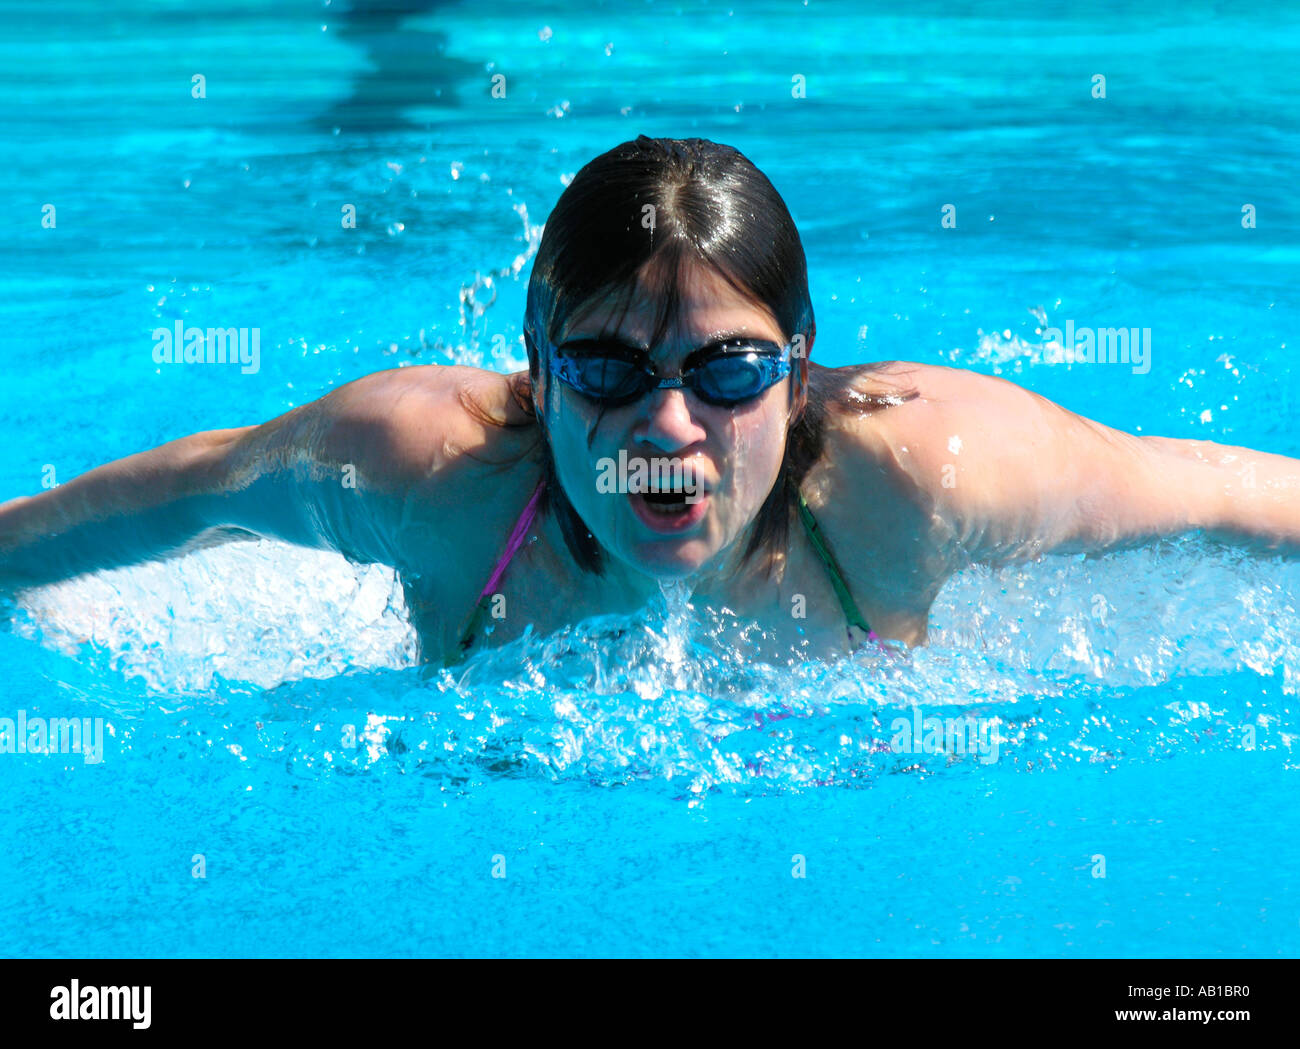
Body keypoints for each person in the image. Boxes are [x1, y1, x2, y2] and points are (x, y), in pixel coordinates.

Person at [2, 136, 1298, 667]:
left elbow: (1230, 493)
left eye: (727, 372)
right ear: (537, 372)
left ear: (797, 371)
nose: (666, 427)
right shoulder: (429, 475)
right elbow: (193, 492)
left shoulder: (925, 472)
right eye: (610, 370)